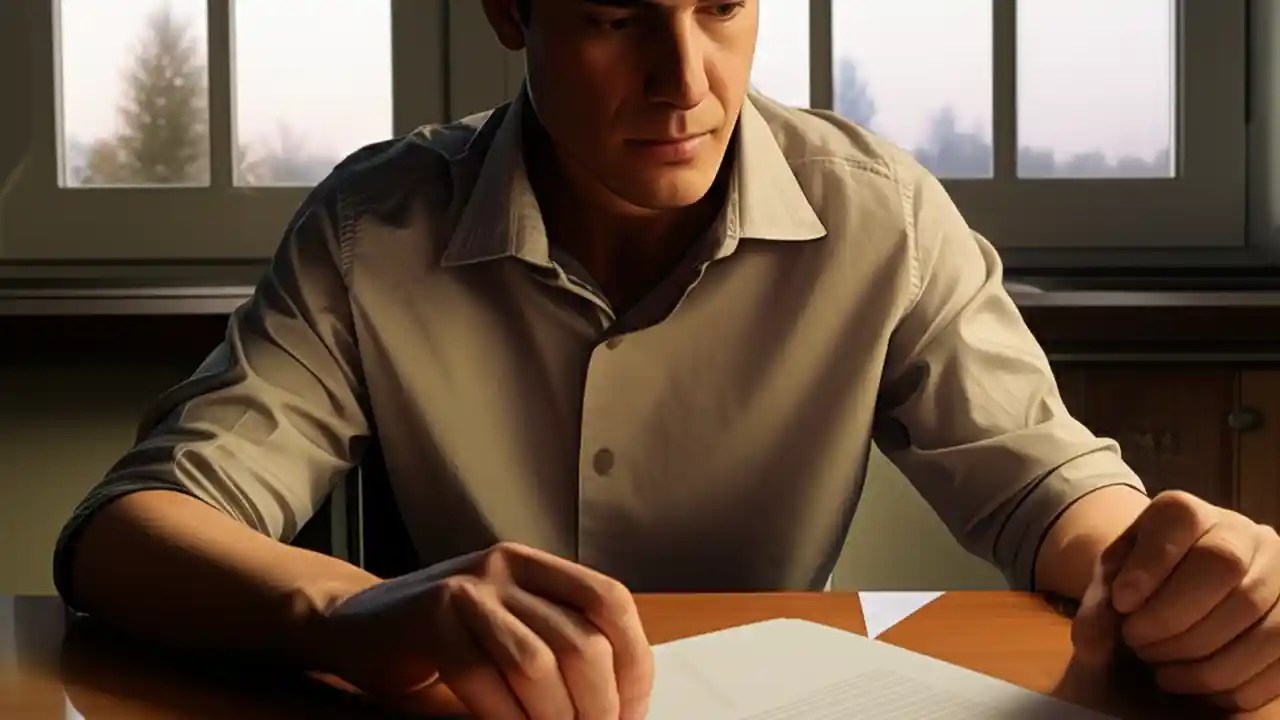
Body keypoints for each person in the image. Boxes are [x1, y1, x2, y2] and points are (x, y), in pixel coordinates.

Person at [53, 1, 1280, 718]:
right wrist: (348, 611)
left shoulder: (878, 216)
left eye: (720, 7)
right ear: (510, 11)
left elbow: (1051, 490)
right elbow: (127, 529)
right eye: (612, 16)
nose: (683, 81)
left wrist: (1176, 573)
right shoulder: (374, 229)